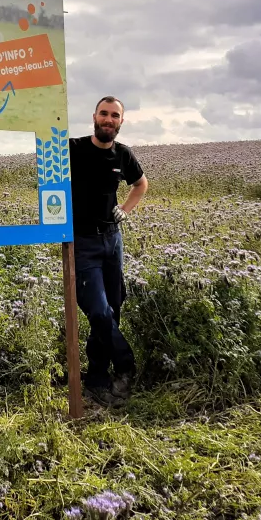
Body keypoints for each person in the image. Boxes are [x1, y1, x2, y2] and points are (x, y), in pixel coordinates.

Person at [68, 96, 148, 407]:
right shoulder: (73, 148)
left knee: (113, 310)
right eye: (104, 114)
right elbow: (44, 167)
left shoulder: (123, 154)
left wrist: (126, 209)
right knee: (98, 311)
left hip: (112, 241)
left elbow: (140, 184)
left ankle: (98, 379)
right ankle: (127, 364)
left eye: (115, 116)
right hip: (82, 241)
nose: (108, 120)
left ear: (121, 122)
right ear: (94, 116)